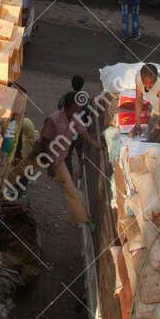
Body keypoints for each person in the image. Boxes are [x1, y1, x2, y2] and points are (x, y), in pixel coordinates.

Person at [38, 93, 89, 225]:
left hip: (62, 154)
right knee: (70, 189)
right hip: (55, 157)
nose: (78, 109)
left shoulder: (73, 118)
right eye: (76, 107)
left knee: (69, 185)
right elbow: (44, 141)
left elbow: (83, 133)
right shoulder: (54, 119)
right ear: (71, 106)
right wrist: (50, 164)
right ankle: (84, 219)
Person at [134, 64, 160, 142]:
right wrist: (137, 123)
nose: (148, 86)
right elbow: (139, 100)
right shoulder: (138, 78)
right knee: (150, 135)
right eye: (145, 83)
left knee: (159, 140)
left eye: (151, 83)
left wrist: (158, 129)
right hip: (157, 108)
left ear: (156, 77)